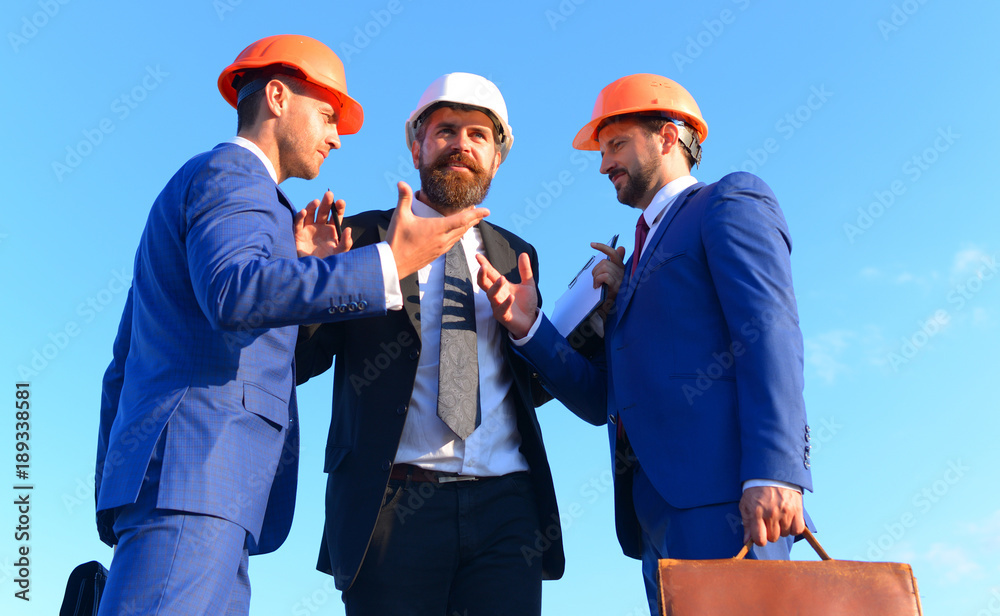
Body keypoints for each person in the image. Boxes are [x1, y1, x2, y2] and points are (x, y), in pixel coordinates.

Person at [94, 36, 486, 616]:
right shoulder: (234, 175)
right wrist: (387, 262)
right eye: (328, 115)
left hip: (199, 488)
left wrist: (300, 271)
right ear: (277, 97)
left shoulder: (239, 198)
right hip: (193, 483)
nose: (336, 135)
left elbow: (125, 360)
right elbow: (234, 292)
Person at [476, 73, 812, 614]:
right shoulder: (627, 266)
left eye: (617, 144)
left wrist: (776, 471)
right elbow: (602, 400)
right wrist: (528, 326)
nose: (605, 163)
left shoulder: (727, 201)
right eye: (602, 150)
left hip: (729, 499)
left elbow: (769, 334)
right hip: (653, 512)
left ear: (669, 136)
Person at [295, 72, 564, 616]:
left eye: (478, 135)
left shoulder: (518, 255)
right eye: (445, 131)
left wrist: (539, 330)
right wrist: (308, 285)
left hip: (507, 507)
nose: (461, 145)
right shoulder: (361, 238)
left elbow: (524, 389)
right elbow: (301, 361)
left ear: (497, 157)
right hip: (393, 507)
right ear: (417, 145)